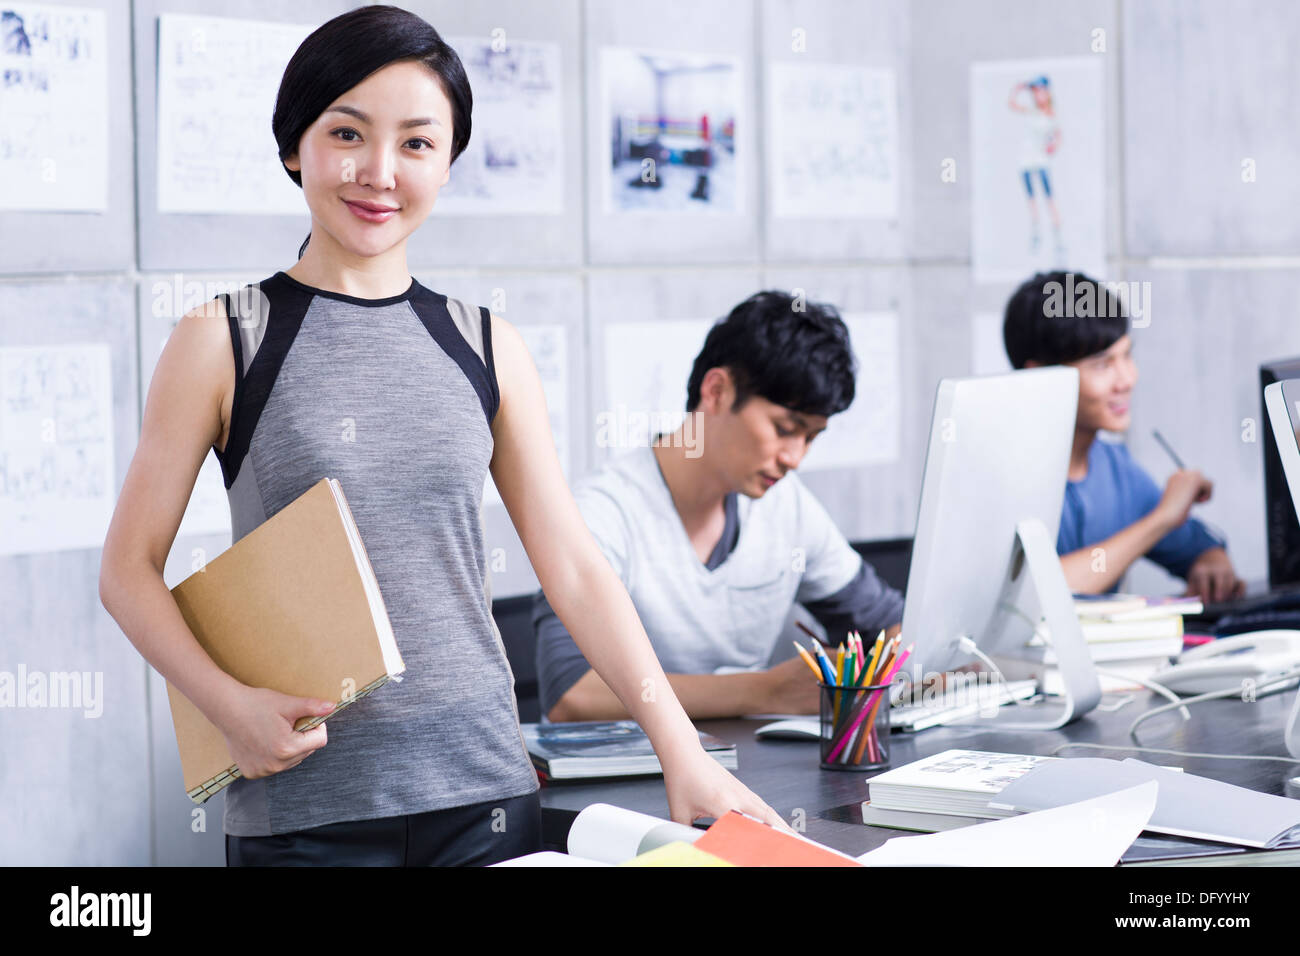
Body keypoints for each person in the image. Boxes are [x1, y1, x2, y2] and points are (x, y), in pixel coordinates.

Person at [97, 4, 783, 868]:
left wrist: (680, 751)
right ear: (293, 146)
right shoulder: (224, 335)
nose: (379, 171)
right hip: (306, 808)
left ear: (448, 164)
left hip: (485, 795)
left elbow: (570, 563)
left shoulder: (486, 342)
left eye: (417, 144)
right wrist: (228, 706)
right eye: (347, 132)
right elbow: (126, 571)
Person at [534, 291, 905, 723]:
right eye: (785, 428)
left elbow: (887, 625)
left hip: (750, 775)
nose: (795, 457)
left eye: (811, 437)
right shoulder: (603, 513)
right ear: (716, 391)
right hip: (626, 784)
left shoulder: (787, 505)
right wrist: (763, 692)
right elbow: (571, 695)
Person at [1002, 270, 1244, 602]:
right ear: (1041, 376)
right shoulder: (1002, 474)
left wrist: (1211, 561)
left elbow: (1195, 545)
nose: (1127, 379)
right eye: (1103, 365)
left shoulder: (1114, 467)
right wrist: (1161, 519)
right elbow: (1031, 596)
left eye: (1126, 356)